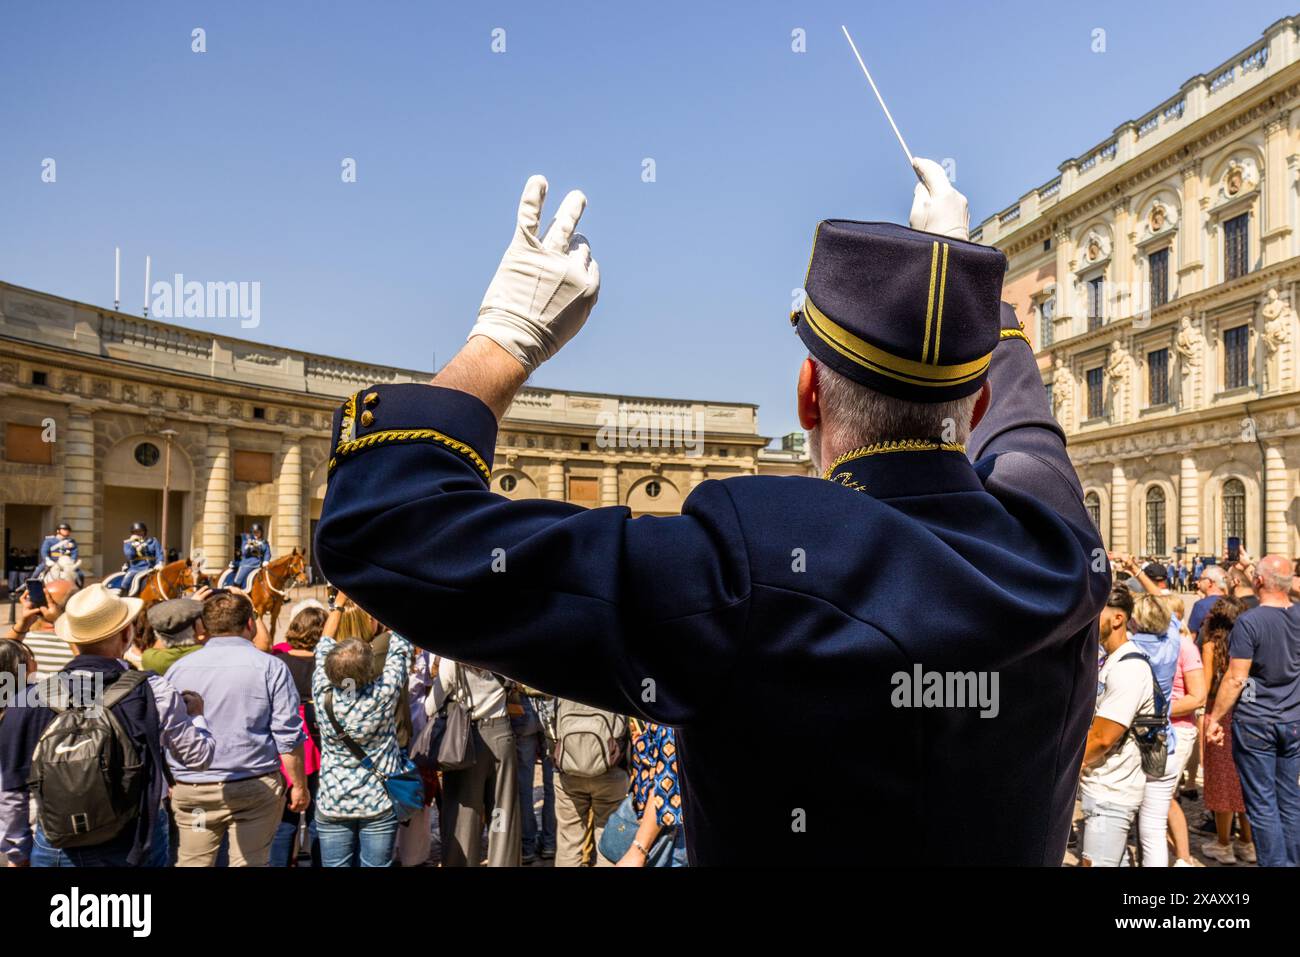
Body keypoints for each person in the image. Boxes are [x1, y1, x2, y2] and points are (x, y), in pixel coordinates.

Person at [315, 165, 1111, 866]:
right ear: (972, 403)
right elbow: (1024, 427)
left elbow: (387, 524)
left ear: (808, 394)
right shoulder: (1057, 546)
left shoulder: (750, 565)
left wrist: (505, 336)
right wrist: (960, 286)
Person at [0, 584, 214, 867]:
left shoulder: (28, 699)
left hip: (55, 842)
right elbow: (198, 758)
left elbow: (12, 789)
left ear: (71, 642)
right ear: (127, 635)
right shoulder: (154, 691)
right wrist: (197, 715)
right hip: (133, 842)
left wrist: (18, 852)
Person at [165, 590, 309, 866]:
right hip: (252, 786)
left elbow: (167, 729)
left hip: (195, 788)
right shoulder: (270, 667)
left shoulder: (179, 668)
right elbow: (287, 735)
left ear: (204, 627)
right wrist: (299, 785)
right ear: (251, 625)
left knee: (193, 862)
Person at [1205, 555, 1300, 867]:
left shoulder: (1250, 621)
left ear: (1259, 582)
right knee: (1290, 799)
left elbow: (1235, 678)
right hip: (1292, 721)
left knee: (1262, 804)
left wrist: (1215, 718)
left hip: (1256, 722)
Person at [313, 594, 414, 867]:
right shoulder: (384, 694)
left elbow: (324, 641)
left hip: (333, 799)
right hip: (379, 800)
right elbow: (401, 645)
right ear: (370, 668)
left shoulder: (323, 693)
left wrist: (338, 605)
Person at [1079, 586, 1159, 866]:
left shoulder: (1129, 668)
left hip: (1111, 792)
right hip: (1103, 787)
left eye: (1096, 613)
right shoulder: (1111, 659)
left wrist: (1070, 768)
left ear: (1118, 619)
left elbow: (1103, 737)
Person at [436, 656, 521, 867]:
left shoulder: (451, 660)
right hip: (502, 734)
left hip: (465, 742)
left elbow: (432, 705)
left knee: (465, 814)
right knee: (502, 809)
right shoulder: (503, 654)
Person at [1198, 597, 1255, 864]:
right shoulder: (1248, 644)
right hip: (1244, 714)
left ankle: (1223, 844)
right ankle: (1247, 842)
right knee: (1243, 780)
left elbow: (1206, 688)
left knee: (1221, 781)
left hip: (1218, 713)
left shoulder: (1211, 647)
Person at [269, 604, 326, 867]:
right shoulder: (324, 662)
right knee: (317, 816)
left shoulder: (277, 660)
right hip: (316, 738)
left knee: (285, 819)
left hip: (286, 738)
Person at [612, 719, 687, 867]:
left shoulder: (672, 718)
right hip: (661, 827)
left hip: (668, 832)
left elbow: (667, 785)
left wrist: (638, 850)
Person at [1165, 622, 1205, 866]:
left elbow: (1198, 696)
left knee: (1163, 798)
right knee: (1161, 799)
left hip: (1179, 730)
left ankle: (1182, 857)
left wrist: (1154, 709)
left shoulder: (1185, 647)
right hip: (1167, 730)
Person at [0, 638, 35, 866]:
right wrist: (18, 850)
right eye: (29, 657)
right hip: (15, 834)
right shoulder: (22, 712)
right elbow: (10, 792)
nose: (35, 661)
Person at [5, 578, 77, 676]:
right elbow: (90, 665)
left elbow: (3, 653)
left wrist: (23, 624)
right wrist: (60, 621)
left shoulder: (22, 644)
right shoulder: (78, 645)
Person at [141, 592, 210, 676]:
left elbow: (163, 630)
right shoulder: (206, 652)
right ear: (195, 627)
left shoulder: (149, 658)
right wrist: (190, 606)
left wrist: (186, 608)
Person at [116, 522, 162, 595]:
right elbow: (129, 556)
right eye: (136, 532)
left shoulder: (153, 541)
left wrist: (159, 563)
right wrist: (133, 545)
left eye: (141, 531)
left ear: (144, 532)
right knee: (127, 578)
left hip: (152, 567)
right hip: (136, 568)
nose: (138, 533)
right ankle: (123, 593)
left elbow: (159, 554)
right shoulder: (128, 543)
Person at [1188, 565, 1228, 641]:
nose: (1198, 581)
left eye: (1201, 579)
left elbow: (1191, 637)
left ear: (1209, 582)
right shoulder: (1232, 601)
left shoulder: (1200, 606)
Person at [228, 522, 272, 590]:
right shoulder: (247, 541)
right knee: (238, 580)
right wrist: (248, 546)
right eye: (255, 532)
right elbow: (244, 553)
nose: (256, 534)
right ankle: (234, 591)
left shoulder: (264, 542)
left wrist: (266, 560)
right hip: (248, 564)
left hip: (260, 565)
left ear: (261, 532)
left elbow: (267, 553)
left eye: (258, 532)